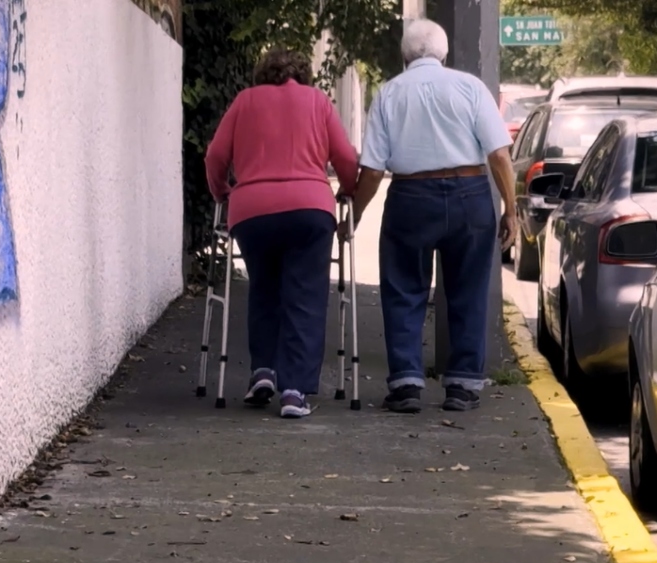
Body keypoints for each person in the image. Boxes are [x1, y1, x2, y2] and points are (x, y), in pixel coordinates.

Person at [350, 19, 518, 414]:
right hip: (470, 194)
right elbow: (499, 155)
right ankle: (463, 385)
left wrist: (353, 217)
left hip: (410, 197)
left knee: (403, 288)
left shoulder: (389, 93)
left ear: (404, 54)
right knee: (468, 289)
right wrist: (511, 209)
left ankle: (406, 382)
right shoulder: (471, 88)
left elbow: (371, 171)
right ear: (444, 53)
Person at [205, 49, 360, 418]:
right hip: (309, 209)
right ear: (303, 75)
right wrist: (347, 189)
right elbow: (346, 158)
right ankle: (294, 391)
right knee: (304, 296)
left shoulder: (244, 101)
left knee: (264, 287)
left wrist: (222, 192)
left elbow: (215, 156)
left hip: (252, 211)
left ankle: (263, 371)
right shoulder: (318, 101)